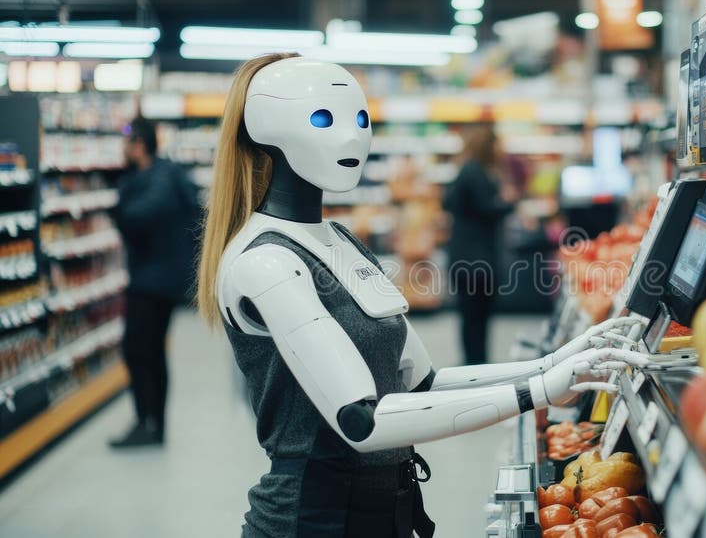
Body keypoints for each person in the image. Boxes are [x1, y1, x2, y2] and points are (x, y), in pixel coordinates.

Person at [196, 53, 645, 538]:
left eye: (361, 119)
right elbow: (362, 420)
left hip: (388, 513)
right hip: (311, 519)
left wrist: (555, 362)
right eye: (323, 119)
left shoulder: (341, 240)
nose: (351, 136)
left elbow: (423, 384)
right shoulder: (265, 262)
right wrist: (536, 391)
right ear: (266, 128)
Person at [109, 117, 199, 448]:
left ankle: (146, 423)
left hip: (150, 280)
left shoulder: (151, 181)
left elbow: (133, 218)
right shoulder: (173, 174)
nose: (123, 150)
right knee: (154, 352)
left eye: (127, 144)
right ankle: (154, 424)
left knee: (137, 351)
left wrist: (120, 203)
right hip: (168, 278)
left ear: (139, 146)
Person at [443, 125, 517, 365]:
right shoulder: (475, 173)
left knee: (472, 317)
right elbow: (486, 209)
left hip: (467, 256)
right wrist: (509, 203)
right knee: (476, 317)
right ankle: (475, 364)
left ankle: (474, 362)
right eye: (497, 143)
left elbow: (449, 203)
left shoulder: (468, 171)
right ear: (488, 144)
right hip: (476, 260)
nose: (500, 149)